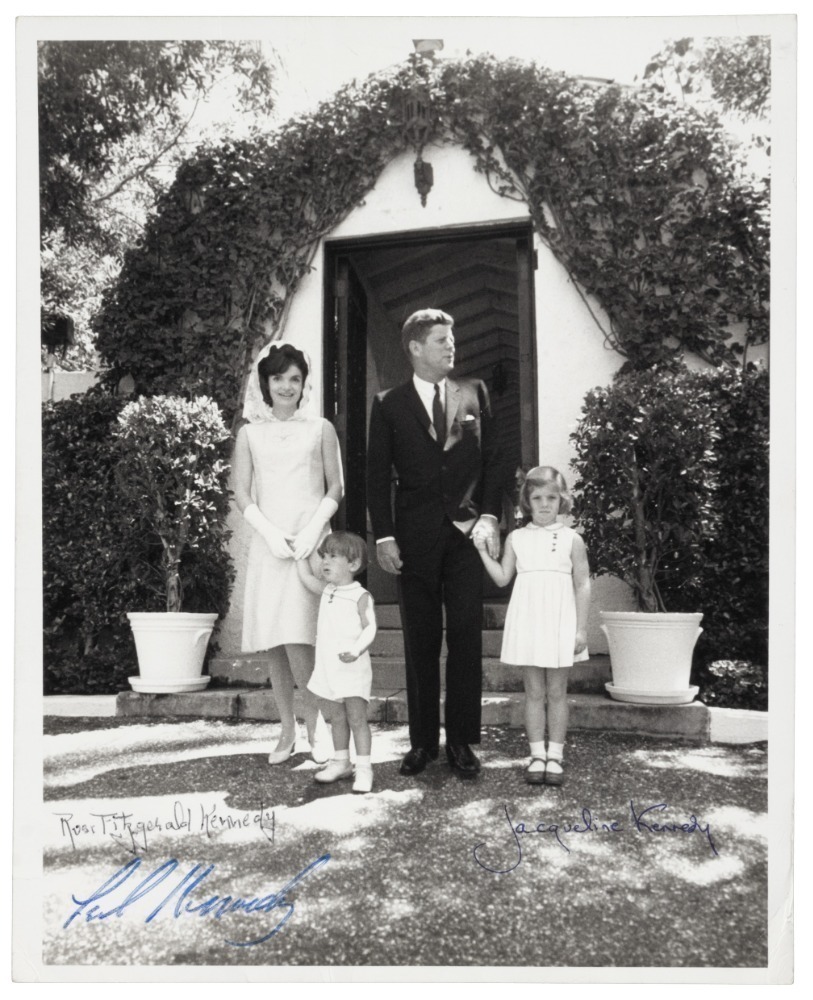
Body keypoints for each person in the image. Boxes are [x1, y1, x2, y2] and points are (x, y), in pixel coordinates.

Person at [367, 308, 504, 779]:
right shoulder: (388, 404)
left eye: (452, 339)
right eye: (441, 340)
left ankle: (461, 742)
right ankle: (422, 743)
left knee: (465, 638)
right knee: (420, 641)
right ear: (415, 347)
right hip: (413, 540)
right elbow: (376, 474)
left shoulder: (475, 393)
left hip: (466, 538)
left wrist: (490, 517)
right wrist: (385, 534)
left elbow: (494, 460)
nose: (451, 346)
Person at [234, 342, 343, 765]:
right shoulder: (250, 433)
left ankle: (316, 726)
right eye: (278, 378)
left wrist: (313, 529)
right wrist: (268, 532)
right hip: (270, 546)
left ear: (304, 384)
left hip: (309, 546)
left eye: (294, 379)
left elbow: (336, 486)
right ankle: (286, 728)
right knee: (275, 642)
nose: (286, 386)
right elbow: (242, 492)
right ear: (265, 382)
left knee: (302, 639)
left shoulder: (320, 428)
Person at [474, 466, 591, 786]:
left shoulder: (572, 539)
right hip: (529, 620)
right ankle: (537, 754)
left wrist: (581, 628)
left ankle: (556, 756)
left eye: (551, 498)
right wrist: (483, 552)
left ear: (561, 500)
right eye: (537, 498)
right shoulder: (517, 538)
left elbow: (582, 583)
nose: (544, 504)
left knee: (557, 691)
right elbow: (502, 578)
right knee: (534, 692)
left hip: (560, 620)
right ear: (527, 501)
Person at [297, 532, 378, 794]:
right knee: (337, 718)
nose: (325, 562)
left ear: (353, 564)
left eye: (333, 557)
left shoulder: (360, 595)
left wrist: (356, 649)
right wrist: (298, 554)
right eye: (324, 556)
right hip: (329, 668)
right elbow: (307, 578)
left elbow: (370, 627)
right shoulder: (327, 590)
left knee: (357, 718)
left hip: (352, 668)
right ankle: (341, 761)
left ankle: (364, 768)